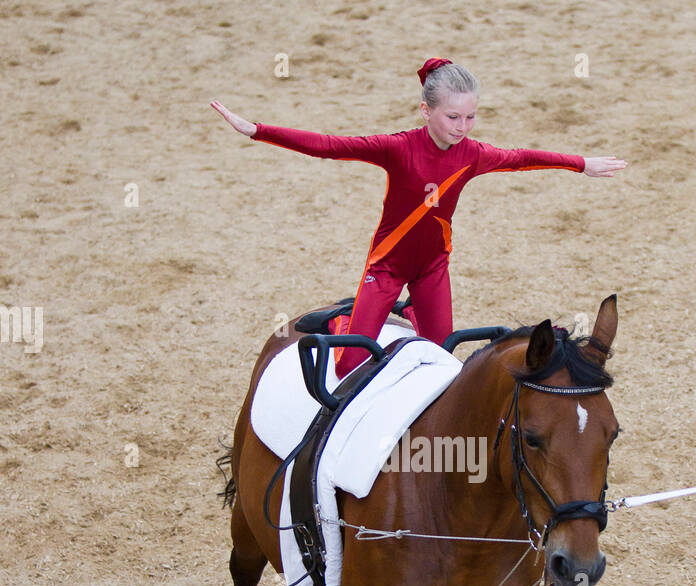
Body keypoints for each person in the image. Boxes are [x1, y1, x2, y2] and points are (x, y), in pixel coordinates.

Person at [211, 58, 627, 377]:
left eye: (470, 116)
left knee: (440, 361)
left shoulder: (475, 155)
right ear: (425, 111)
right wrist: (257, 130)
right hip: (388, 267)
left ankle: (410, 313)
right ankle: (342, 318)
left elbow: (523, 158)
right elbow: (330, 146)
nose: (463, 127)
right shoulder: (396, 148)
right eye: (453, 117)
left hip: (432, 267)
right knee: (346, 368)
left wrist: (581, 163)